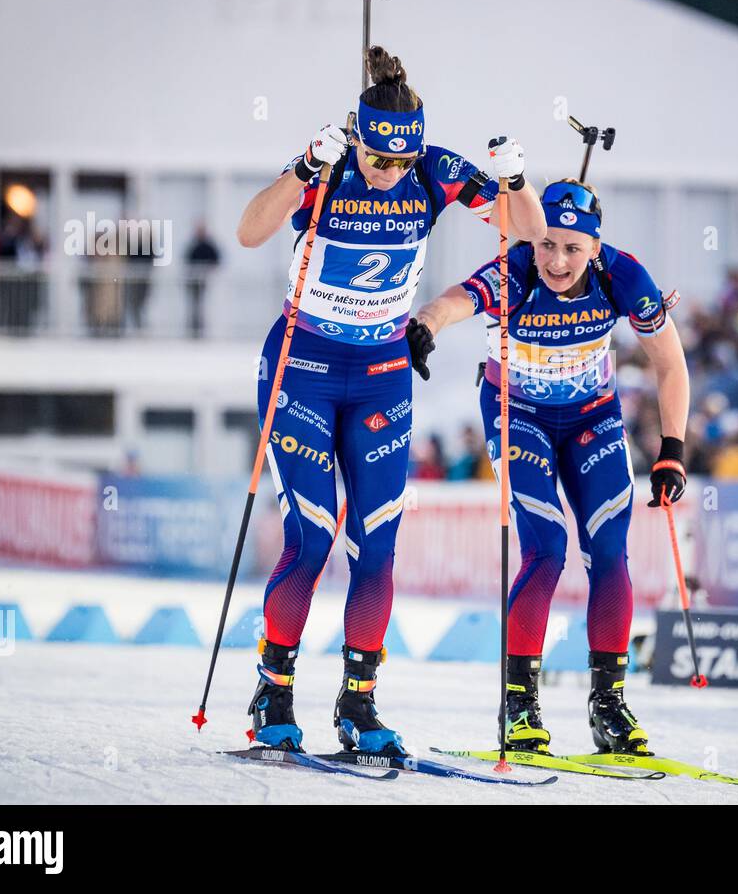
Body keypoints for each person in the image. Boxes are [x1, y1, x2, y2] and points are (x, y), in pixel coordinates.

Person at [234, 46, 546, 756]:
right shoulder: (332, 166)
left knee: (376, 547)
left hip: (380, 370)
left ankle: (359, 703)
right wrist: (304, 167)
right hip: (302, 366)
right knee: (311, 536)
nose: (389, 173)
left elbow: (527, 230)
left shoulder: (433, 170)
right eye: (379, 159)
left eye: (401, 163)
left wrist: (517, 178)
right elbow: (250, 230)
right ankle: (273, 688)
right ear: (358, 137)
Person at [411, 179, 689, 757]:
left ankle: (609, 704)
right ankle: (519, 704)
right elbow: (453, 301)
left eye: (573, 248)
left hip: (593, 417)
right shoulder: (514, 271)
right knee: (546, 546)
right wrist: (426, 326)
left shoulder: (624, 276)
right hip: (521, 416)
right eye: (547, 245)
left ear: (595, 246)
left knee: (610, 548)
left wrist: (672, 448)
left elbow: (670, 364)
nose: (557, 261)